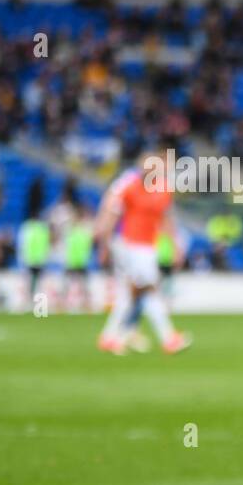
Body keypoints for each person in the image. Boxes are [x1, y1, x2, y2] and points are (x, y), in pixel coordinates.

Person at [94, 148, 190, 355]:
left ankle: (109, 336)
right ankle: (168, 338)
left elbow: (166, 220)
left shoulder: (164, 189)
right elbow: (112, 213)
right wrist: (105, 243)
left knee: (132, 293)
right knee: (148, 290)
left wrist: (175, 247)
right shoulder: (131, 187)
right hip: (132, 245)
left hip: (148, 246)